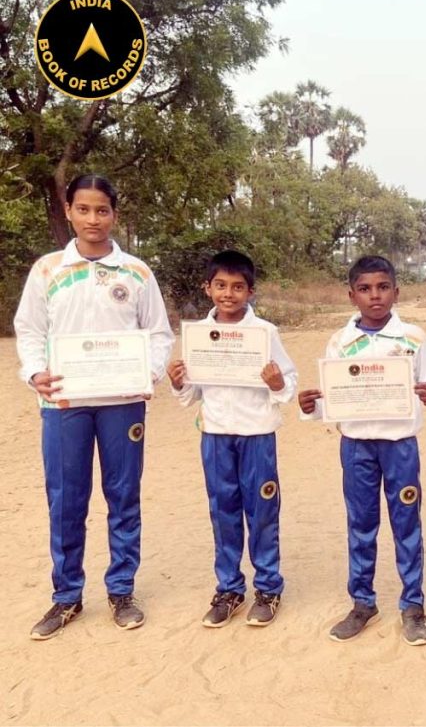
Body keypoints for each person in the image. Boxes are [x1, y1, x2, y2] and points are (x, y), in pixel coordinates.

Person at [14, 173, 174, 640]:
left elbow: (160, 333)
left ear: (115, 215)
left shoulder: (138, 273)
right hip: (65, 404)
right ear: (68, 211)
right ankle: (66, 597)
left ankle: (121, 590)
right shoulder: (47, 270)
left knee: (123, 496)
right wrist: (34, 372)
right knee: (66, 499)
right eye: (83, 209)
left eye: (102, 210)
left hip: (122, 403)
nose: (92, 219)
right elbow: (29, 330)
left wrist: (150, 370)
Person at [299, 255, 426, 646]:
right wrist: (310, 405)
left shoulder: (413, 338)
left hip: (401, 445)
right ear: (352, 296)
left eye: (383, 287)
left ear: (396, 291)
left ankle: (413, 605)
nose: (375, 296)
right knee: (361, 524)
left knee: (406, 524)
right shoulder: (340, 341)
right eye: (365, 289)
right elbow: (329, 397)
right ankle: (362, 602)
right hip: (356, 446)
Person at [166, 250, 298, 628]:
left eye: (238, 287)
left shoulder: (265, 333)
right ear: (207, 288)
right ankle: (228, 589)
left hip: (257, 434)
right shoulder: (196, 335)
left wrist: (277, 383)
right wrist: (179, 381)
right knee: (222, 512)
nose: (229, 294)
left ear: (251, 291)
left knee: (262, 513)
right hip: (216, 434)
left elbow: (287, 382)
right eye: (221, 285)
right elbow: (191, 393)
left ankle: (268, 588)